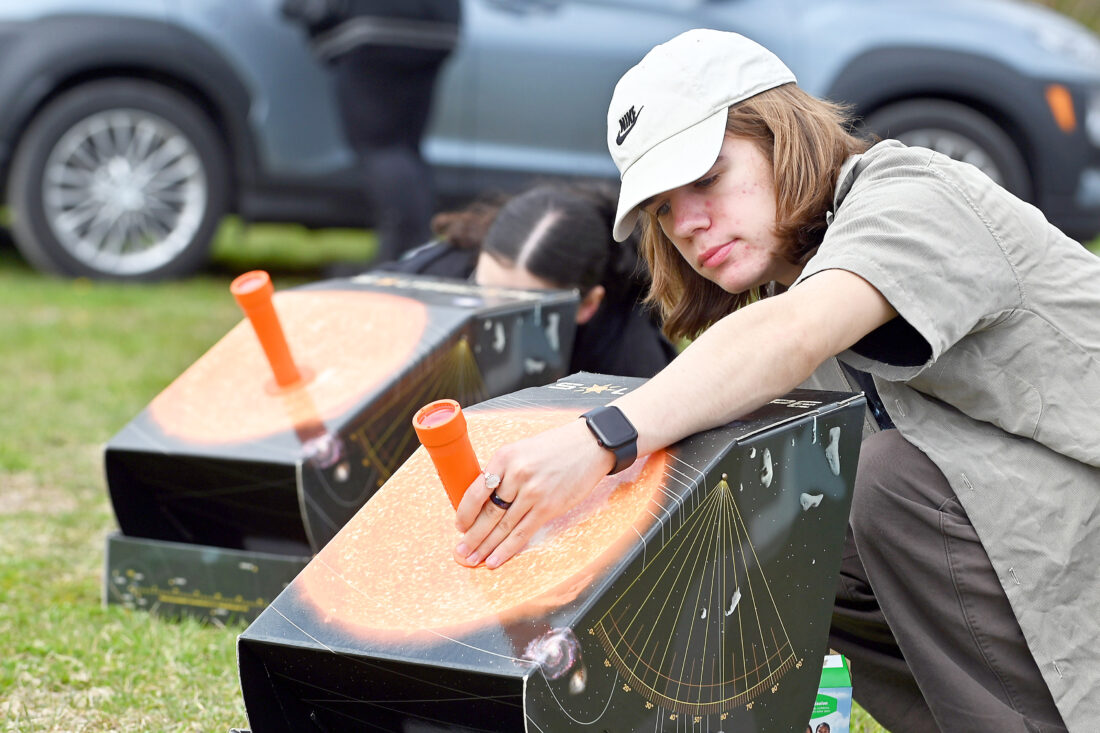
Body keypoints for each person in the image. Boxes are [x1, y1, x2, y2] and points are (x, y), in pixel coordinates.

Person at [447, 29, 1099, 733]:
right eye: (665, 208)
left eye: (707, 178)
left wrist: (602, 438)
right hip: (1035, 555)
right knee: (778, 518)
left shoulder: (911, 195)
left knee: (884, 480)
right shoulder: (783, 286)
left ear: (781, 133)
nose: (689, 224)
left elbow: (793, 332)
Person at [377, 182, 679, 378]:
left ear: (586, 305)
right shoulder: (424, 283)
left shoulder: (628, 365)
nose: (487, 319)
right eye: (481, 293)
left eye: (517, 311)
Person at [280, 0, 461, 269]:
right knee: (406, 148)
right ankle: (416, 257)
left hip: (373, 25)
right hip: (437, 26)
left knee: (381, 146)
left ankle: (399, 261)